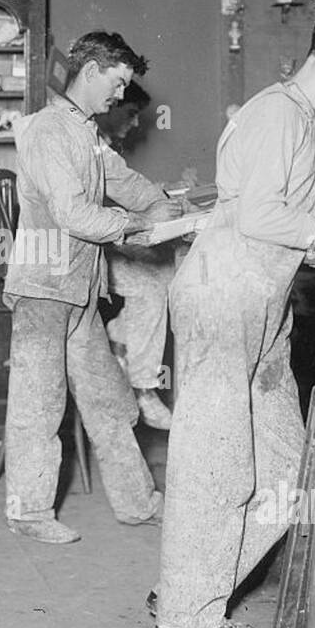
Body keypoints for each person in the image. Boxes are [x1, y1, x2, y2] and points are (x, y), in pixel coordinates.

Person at [154, 7, 315, 628]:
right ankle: (189, 613)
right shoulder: (275, 115)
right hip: (224, 297)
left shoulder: (302, 120)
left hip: (263, 307)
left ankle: (189, 585)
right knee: (218, 462)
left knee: (289, 468)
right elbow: (266, 216)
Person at [3, 32, 179, 544]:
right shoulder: (49, 131)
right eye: (118, 82)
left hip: (79, 288)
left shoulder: (84, 131)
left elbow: (121, 182)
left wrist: (168, 206)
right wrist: (138, 225)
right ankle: (29, 512)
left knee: (108, 399)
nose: (122, 96)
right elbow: (75, 215)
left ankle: (137, 501)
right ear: (91, 71)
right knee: (39, 404)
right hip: (43, 287)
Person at [98, 80, 183, 430]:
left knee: (167, 274)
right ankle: (145, 390)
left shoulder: (106, 147)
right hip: (79, 256)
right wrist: (146, 215)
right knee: (151, 287)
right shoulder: (89, 144)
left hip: (103, 244)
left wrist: (161, 202)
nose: (135, 124)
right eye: (131, 114)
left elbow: (127, 191)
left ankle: (119, 335)